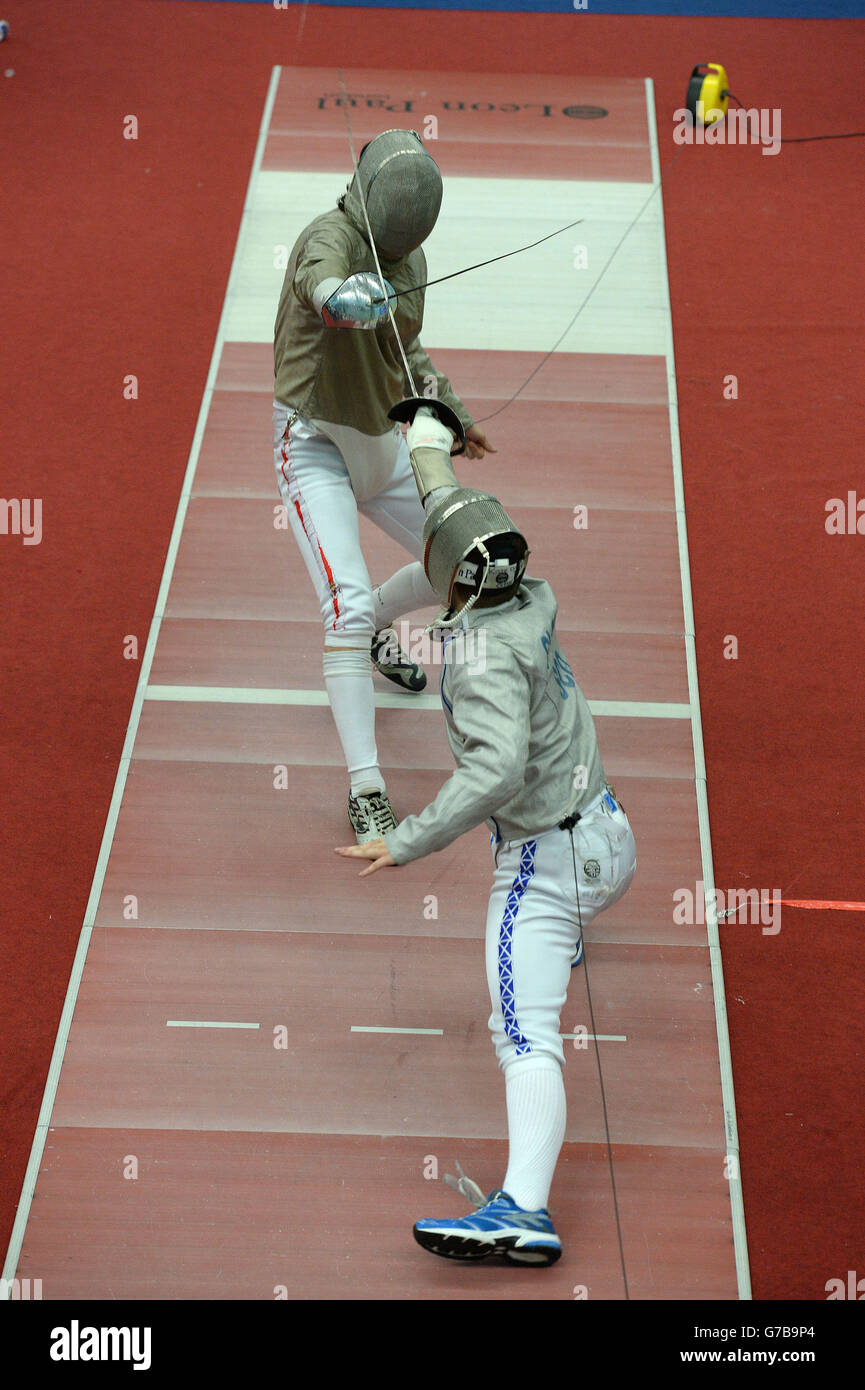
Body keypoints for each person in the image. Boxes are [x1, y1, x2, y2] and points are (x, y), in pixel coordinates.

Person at [335, 466, 637, 1267]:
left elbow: (495, 771)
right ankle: (566, 938)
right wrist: (429, 434)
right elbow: (447, 526)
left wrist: (407, 839)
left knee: (523, 1032)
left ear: (451, 576)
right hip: (610, 833)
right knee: (555, 942)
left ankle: (524, 1214)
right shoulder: (530, 593)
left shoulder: (476, 659)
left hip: (547, 864)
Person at [273, 127, 495, 845]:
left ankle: (376, 628)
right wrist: (341, 298)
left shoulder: (410, 258)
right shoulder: (328, 237)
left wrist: (451, 408)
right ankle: (366, 785)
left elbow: (408, 349)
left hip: (380, 442)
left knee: (468, 562)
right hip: (314, 445)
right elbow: (319, 282)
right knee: (344, 607)